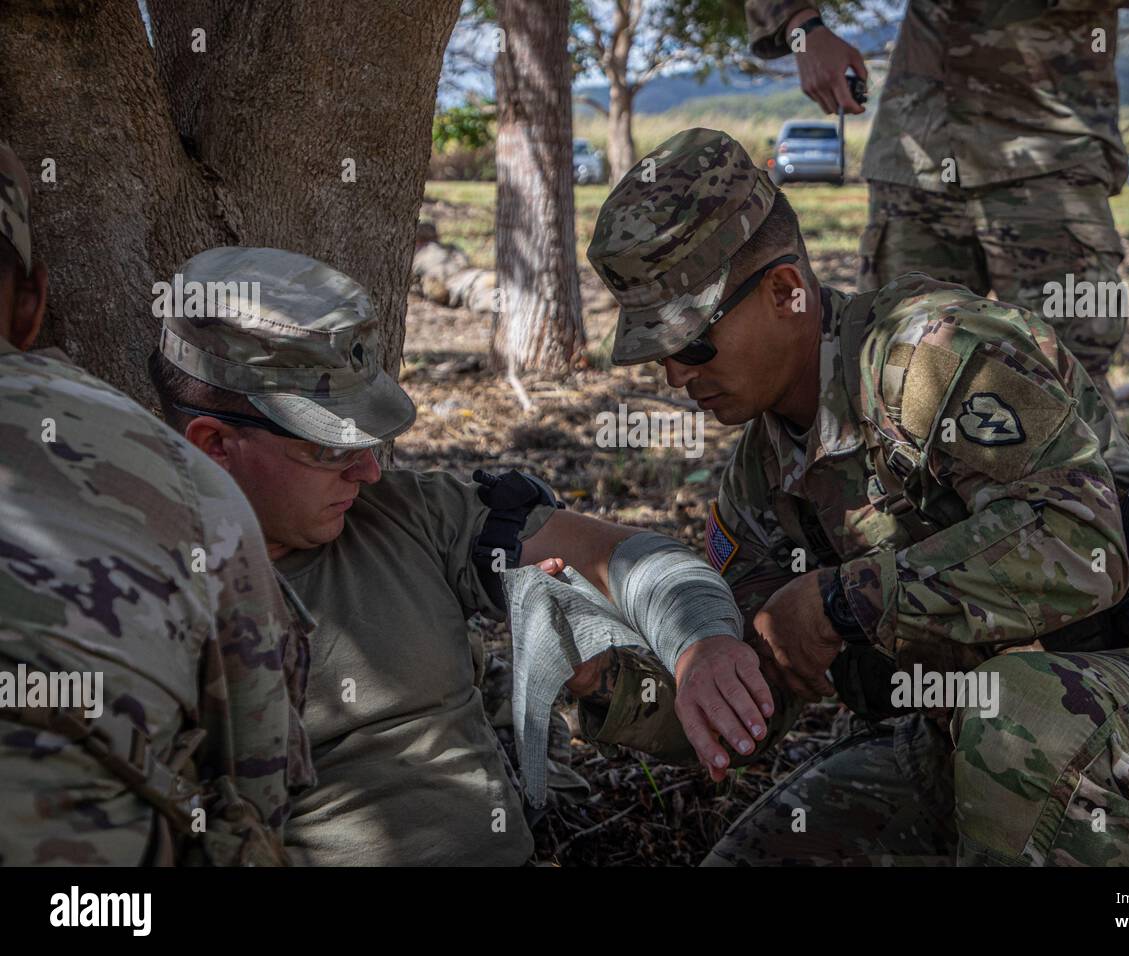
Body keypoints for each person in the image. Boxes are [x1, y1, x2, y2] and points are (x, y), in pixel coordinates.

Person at [585, 127, 1129, 865]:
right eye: (657, 352)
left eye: (693, 341)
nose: (675, 374)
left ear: (787, 292)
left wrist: (839, 601)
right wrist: (603, 683)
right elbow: (745, 699)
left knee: (1023, 714)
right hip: (964, 741)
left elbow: (1085, 544)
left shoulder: (935, 356)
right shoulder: (760, 478)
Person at [149, 245, 776, 865]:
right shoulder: (132, 603)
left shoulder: (407, 517)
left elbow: (627, 559)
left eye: (370, 442)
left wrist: (701, 642)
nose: (370, 471)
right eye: (332, 450)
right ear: (214, 446)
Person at [0, 141, 313, 866]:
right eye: (326, 447)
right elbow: (255, 799)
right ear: (33, 305)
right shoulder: (190, 486)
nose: (368, 471)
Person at [746, 1, 1129, 401]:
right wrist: (804, 27)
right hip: (918, 160)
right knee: (898, 373)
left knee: (1067, 384)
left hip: (1048, 157)